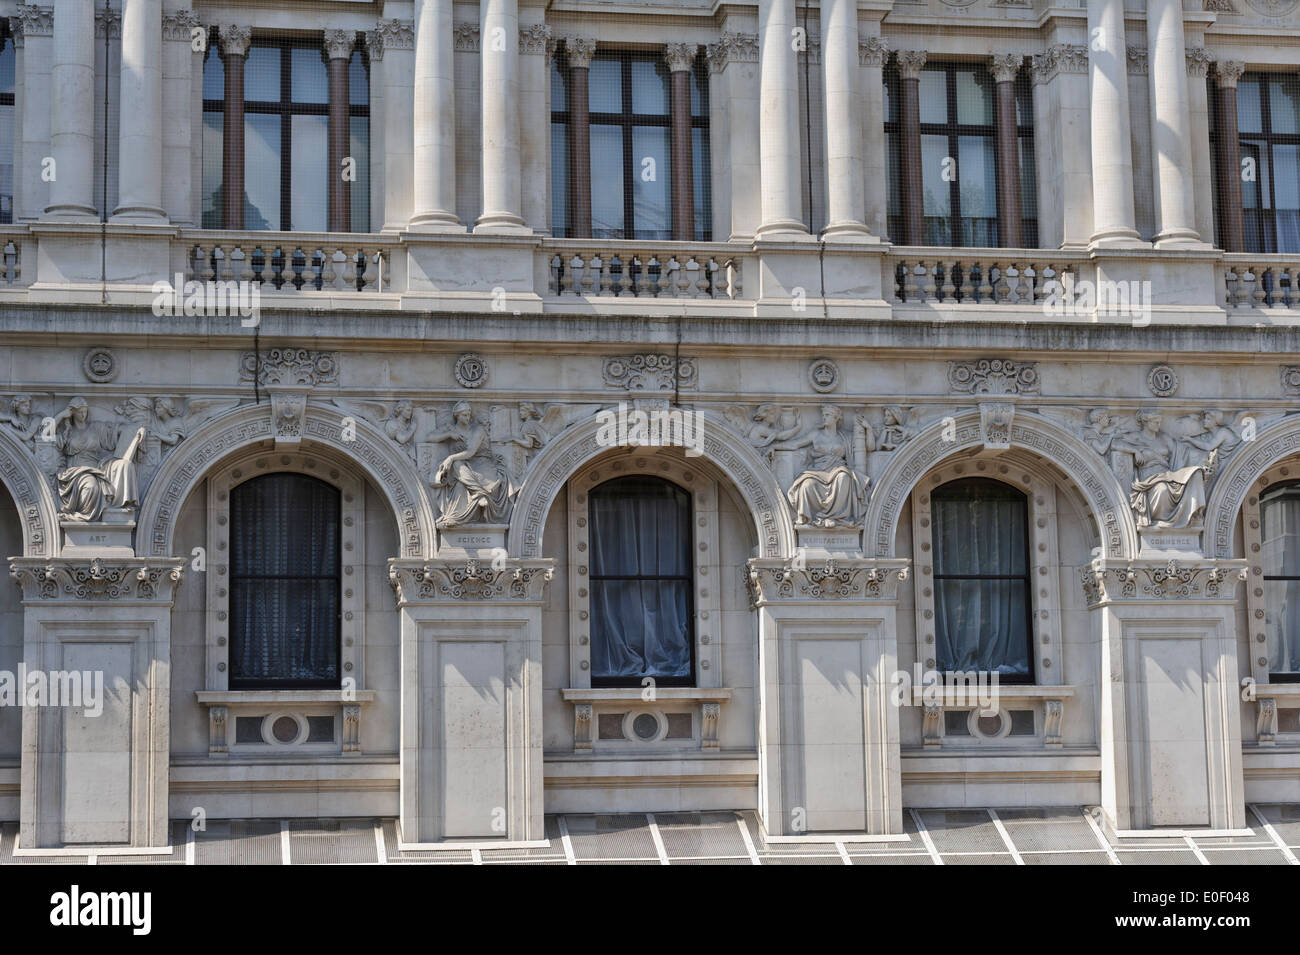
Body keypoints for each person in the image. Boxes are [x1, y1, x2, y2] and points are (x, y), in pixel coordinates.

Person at [776, 405, 869, 527]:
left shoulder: (845, 437)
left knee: (844, 477)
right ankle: (809, 519)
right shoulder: (815, 434)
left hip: (837, 469)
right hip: (817, 471)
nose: (824, 417)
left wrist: (869, 429)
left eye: (827, 415)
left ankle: (838, 518)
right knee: (806, 485)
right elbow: (795, 444)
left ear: (836, 418)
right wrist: (774, 446)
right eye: (823, 415)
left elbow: (869, 447)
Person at [427, 401, 511, 526]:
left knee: (456, 465)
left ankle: (479, 494)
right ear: (457, 416)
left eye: (468, 414)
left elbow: (470, 452)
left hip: (482, 464)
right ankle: (455, 515)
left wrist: (450, 458)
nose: (468, 418)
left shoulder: (478, 430)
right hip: (462, 469)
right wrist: (448, 434)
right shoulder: (451, 428)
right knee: (458, 480)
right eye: (464, 415)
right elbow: (430, 437)